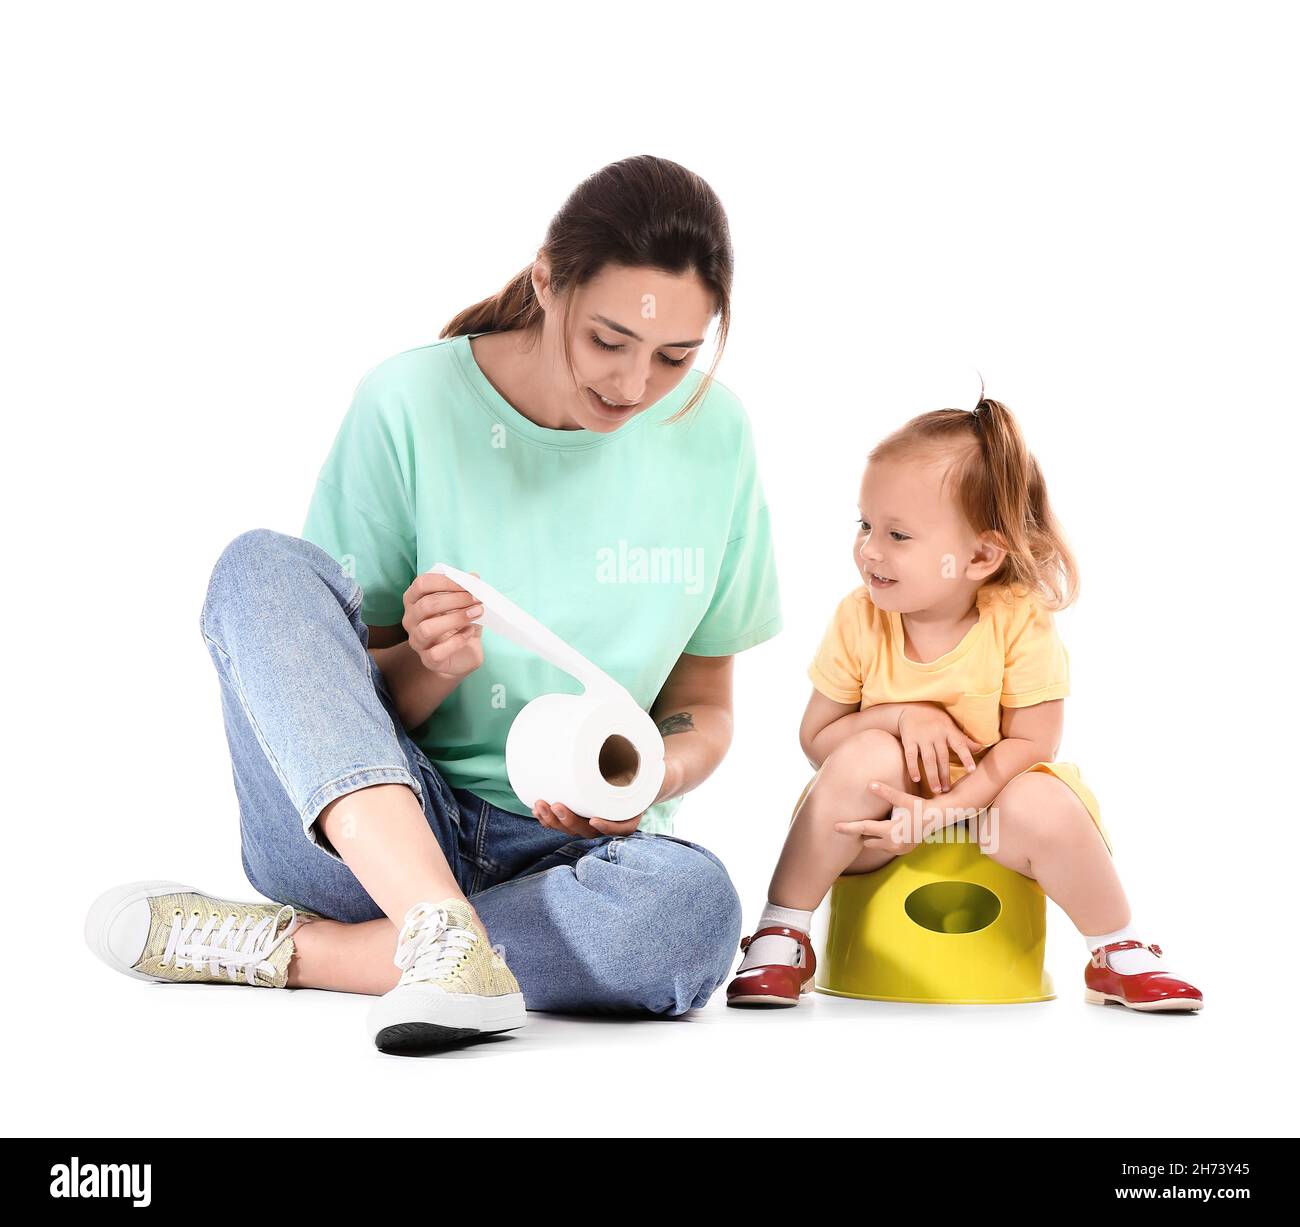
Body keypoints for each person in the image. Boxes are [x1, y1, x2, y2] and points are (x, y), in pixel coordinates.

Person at [84, 155, 783, 1053]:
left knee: (691, 912)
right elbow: (328, 698)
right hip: (372, 840)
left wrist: (651, 771)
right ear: (547, 281)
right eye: (609, 340)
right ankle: (432, 924)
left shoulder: (716, 436)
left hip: (570, 860)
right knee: (259, 565)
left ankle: (313, 953)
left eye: (676, 355)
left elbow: (706, 708)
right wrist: (425, 663)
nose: (636, 384)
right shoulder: (408, 402)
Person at [725, 397, 1203, 1014]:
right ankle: (783, 930)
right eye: (864, 525)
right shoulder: (859, 617)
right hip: (879, 828)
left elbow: (1033, 745)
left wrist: (948, 808)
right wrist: (898, 718)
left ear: (980, 556)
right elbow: (817, 737)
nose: (870, 550)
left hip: (989, 824)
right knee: (866, 752)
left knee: (1044, 795)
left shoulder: (1017, 620)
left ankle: (1116, 948)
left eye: (897, 535)